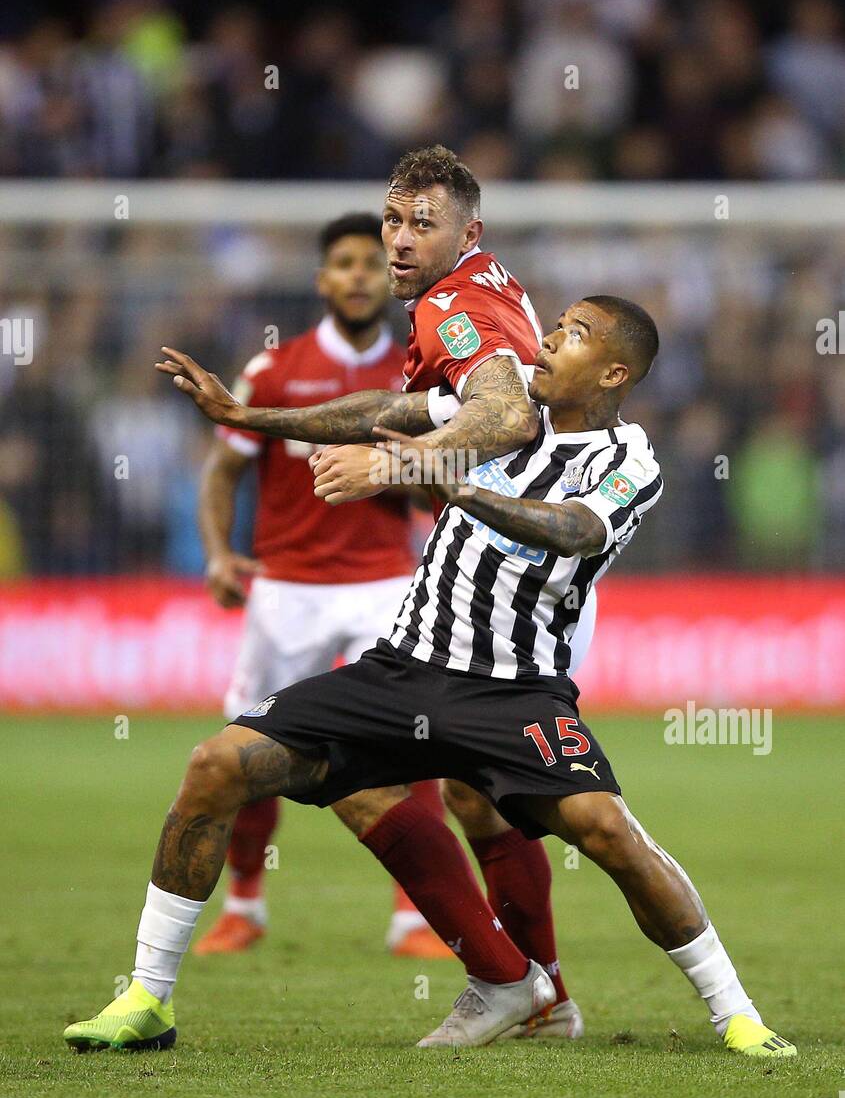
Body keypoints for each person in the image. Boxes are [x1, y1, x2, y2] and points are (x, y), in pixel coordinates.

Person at [65, 292, 795, 1056]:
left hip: (514, 691)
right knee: (218, 763)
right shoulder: (502, 401)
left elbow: (577, 531)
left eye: (572, 336)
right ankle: (147, 999)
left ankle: (734, 1013)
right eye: (554, 326)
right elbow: (389, 406)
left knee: (605, 831)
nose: (546, 341)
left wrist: (458, 488)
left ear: (614, 373)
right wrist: (253, 417)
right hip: (402, 670)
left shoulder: (629, 463)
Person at [195, 210, 450, 959]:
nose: (360, 275)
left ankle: (414, 916)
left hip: (383, 583)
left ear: (391, 275)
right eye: (344, 263)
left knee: (416, 742)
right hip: (287, 590)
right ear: (322, 279)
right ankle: (244, 905)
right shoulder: (274, 371)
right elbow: (225, 469)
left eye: (372, 263)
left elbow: (440, 476)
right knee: (247, 750)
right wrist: (218, 552)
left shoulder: (416, 371)